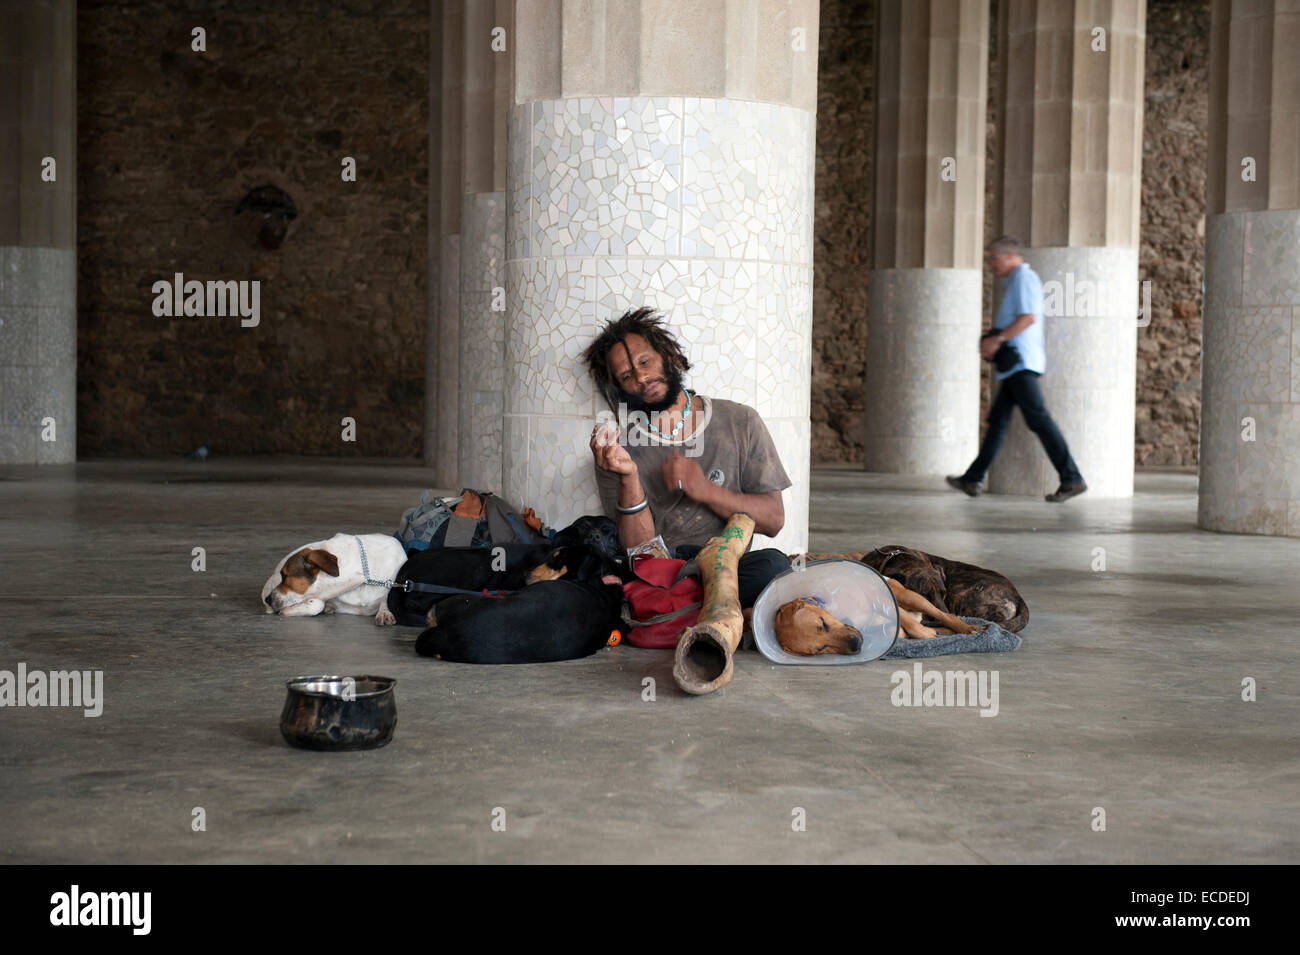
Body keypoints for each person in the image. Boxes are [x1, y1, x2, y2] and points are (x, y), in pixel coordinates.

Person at [582, 306, 792, 618]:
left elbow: (773, 520)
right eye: (627, 375)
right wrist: (629, 477)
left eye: (645, 361)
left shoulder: (740, 420)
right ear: (619, 389)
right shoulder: (619, 450)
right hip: (666, 575)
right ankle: (718, 609)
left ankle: (680, 612)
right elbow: (641, 556)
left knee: (773, 566)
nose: (641, 377)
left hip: (729, 566)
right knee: (625, 579)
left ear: (667, 354)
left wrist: (703, 489)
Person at [948, 236, 1087, 503]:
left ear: (1010, 254)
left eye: (994, 257)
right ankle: (972, 479)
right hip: (1014, 366)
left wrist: (997, 339)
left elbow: (1028, 318)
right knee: (998, 422)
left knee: (1038, 419)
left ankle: (1072, 478)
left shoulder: (1023, 279)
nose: (992, 264)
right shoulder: (1015, 281)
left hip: (1021, 364)